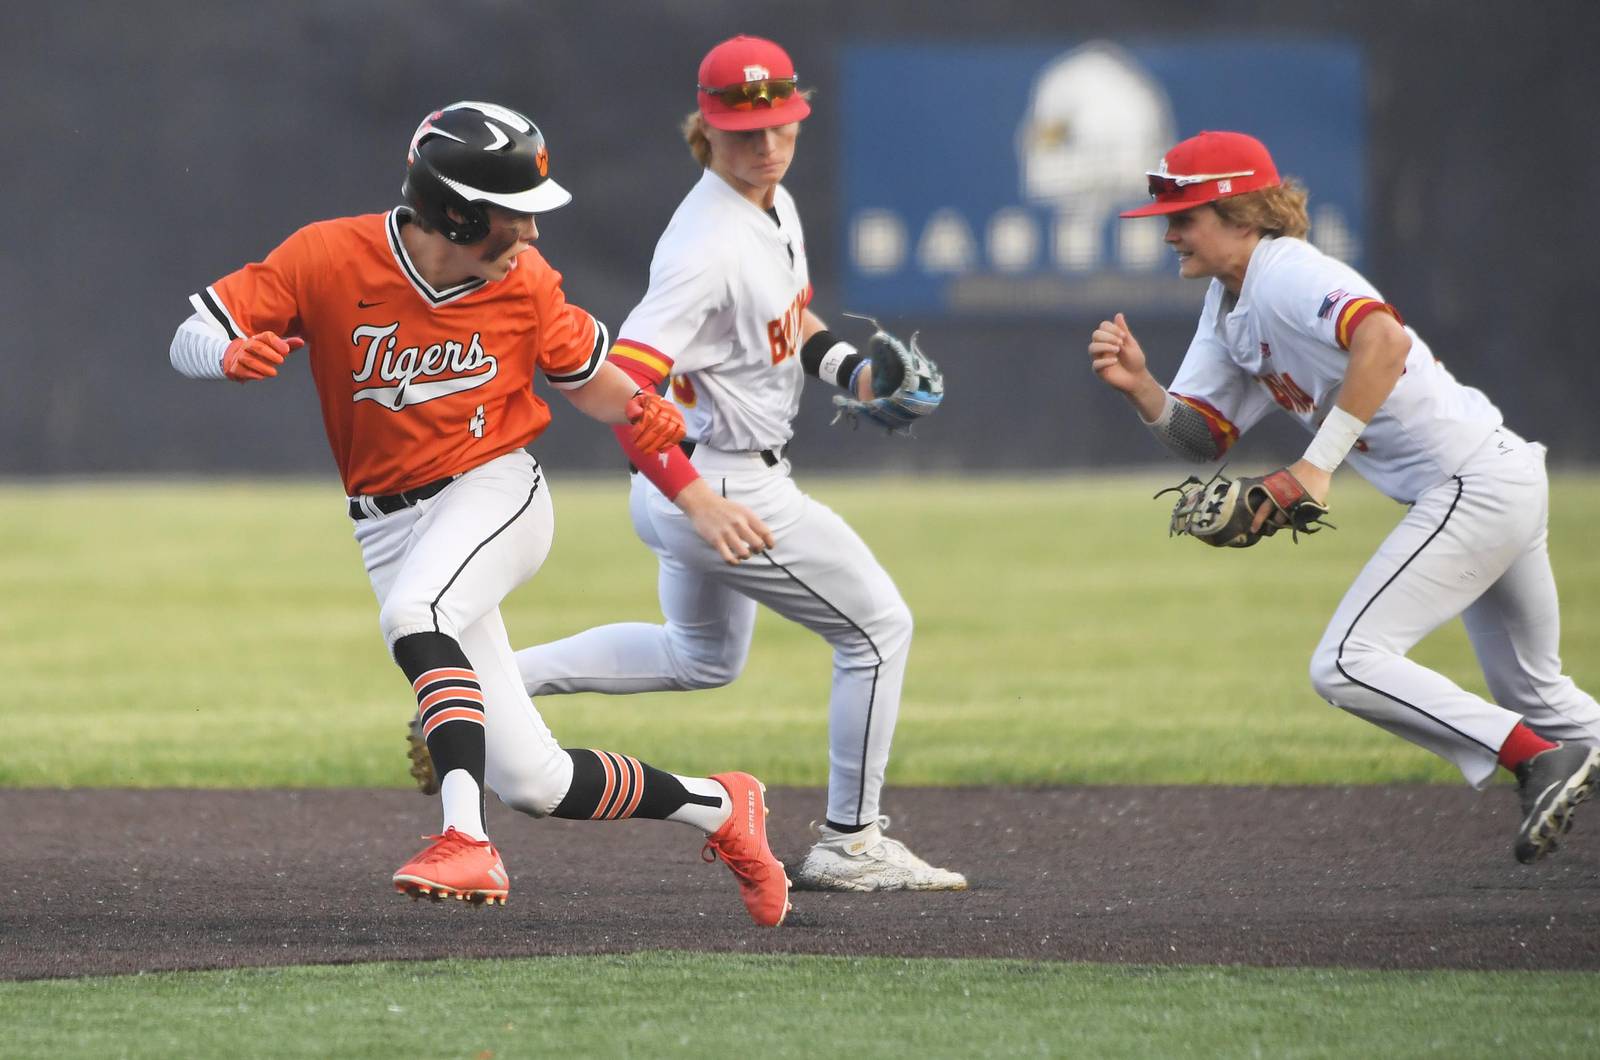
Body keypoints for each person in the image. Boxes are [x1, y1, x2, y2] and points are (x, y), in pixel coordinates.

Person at [169, 100, 790, 926]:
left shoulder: (525, 283)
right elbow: (189, 334)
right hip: (387, 526)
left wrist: (643, 408)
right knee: (536, 780)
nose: (531, 236)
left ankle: (464, 839)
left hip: (497, 491)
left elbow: (592, 379)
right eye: (516, 216)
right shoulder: (326, 256)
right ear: (455, 210)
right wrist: (225, 354)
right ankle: (721, 807)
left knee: (415, 613)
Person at [506, 36, 967, 892]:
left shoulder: (769, 204)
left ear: (799, 117)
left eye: (780, 124)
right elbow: (622, 388)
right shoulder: (705, 246)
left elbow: (795, 323)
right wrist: (698, 501)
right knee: (877, 630)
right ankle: (850, 841)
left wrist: (856, 373)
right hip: (714, 479)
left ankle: (494, 681)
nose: (767, 144)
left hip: (701, 479)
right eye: (746, 129)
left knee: (700, 658)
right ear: (706, 128)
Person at [1087, 130, 1600, 863]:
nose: (1169, 233)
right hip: (1493, 478)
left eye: (1186, 215)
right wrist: (1143, 389)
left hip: (1470, 484)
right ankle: (1547, 745)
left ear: (1242, 214)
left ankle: (1533, 759)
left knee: (1347, 662)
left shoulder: (1287, 273)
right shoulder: (1227, 300)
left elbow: (1383, 343)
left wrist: (1315, 466)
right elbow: (1202, 437)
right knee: (1541, 696)